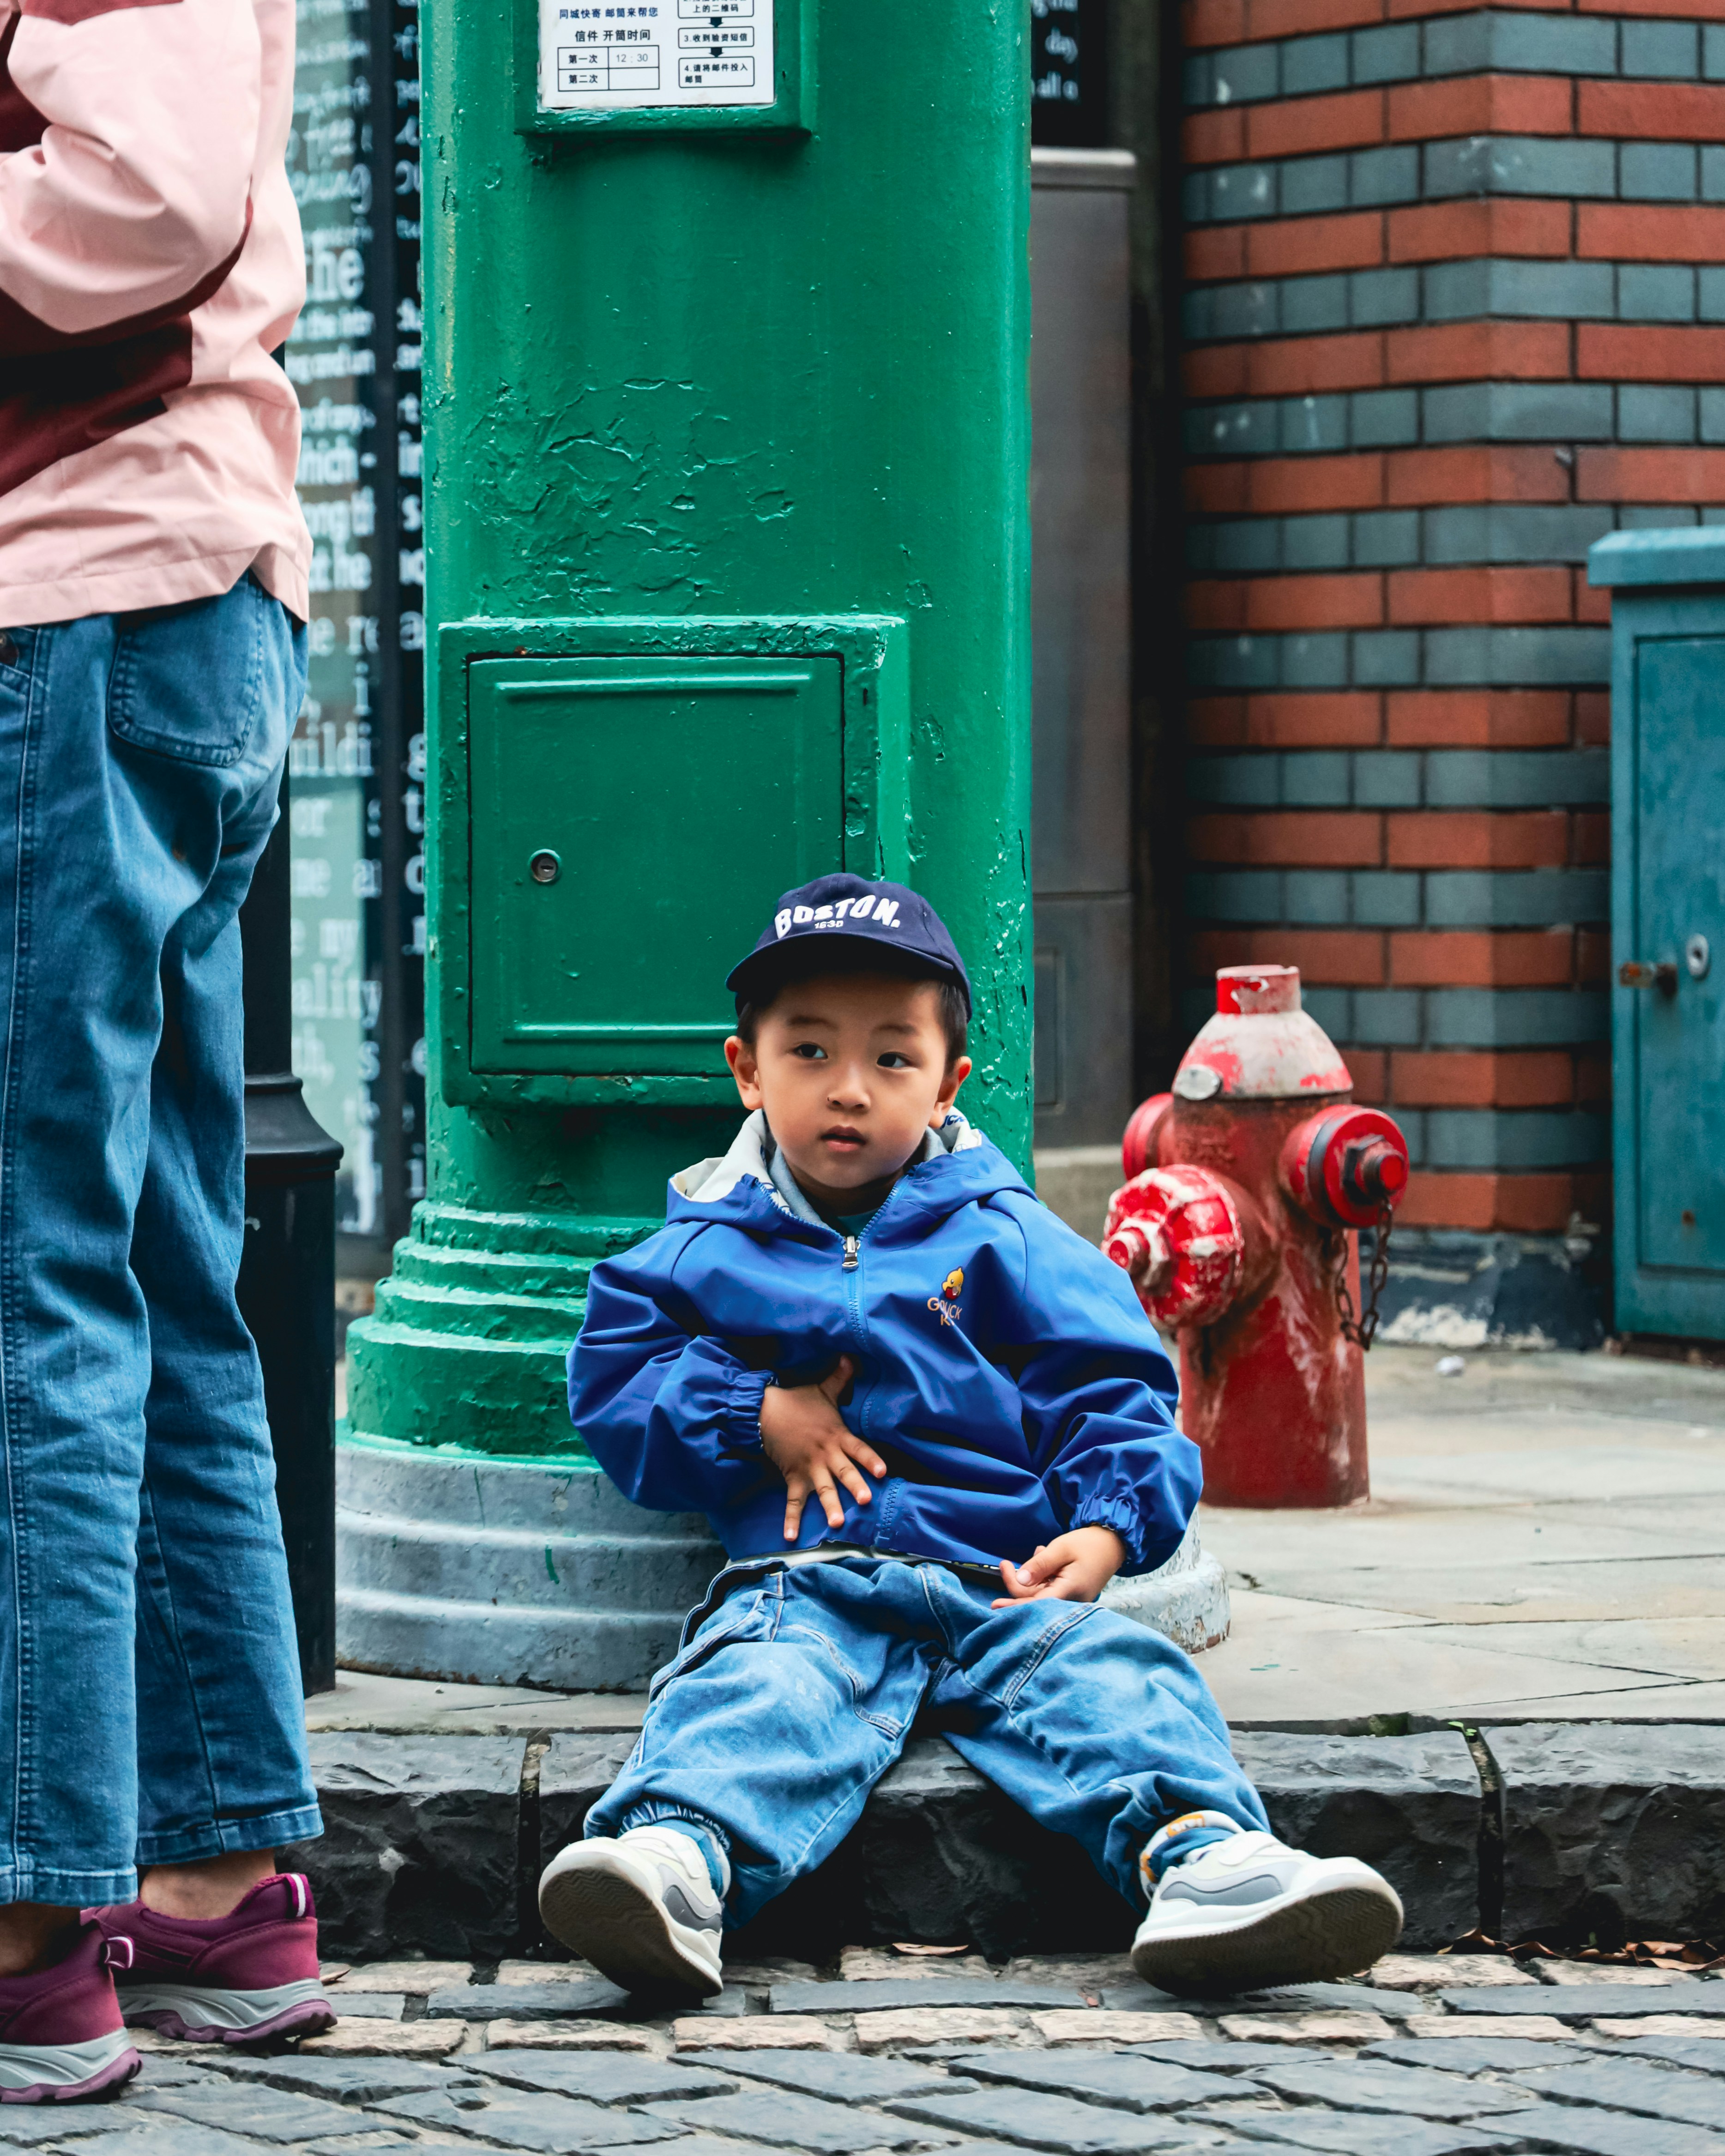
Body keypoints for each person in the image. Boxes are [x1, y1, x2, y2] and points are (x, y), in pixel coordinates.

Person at [541, 873, 1403, 1997]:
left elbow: (1111, 1380)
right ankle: (675, 1863)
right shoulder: (701, 1241)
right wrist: (751, 1411)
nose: (848, 1090)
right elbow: (615, 1373)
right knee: (753, 1691)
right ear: (746, 1069)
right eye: (808, 1053)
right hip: (811, 1581)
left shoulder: (1004, 1234)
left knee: (1120, 1681)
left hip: (1005, 1582)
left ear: (946, 1081)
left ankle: (1209, 1861)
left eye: (890, 1059)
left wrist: (1104, 1529)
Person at [0, 0, 332, 2102]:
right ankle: (217, 1873)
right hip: (176, 598)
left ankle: (32, 1917)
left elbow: (140, 190)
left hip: (82, 604)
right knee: (154, 1262)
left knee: (36, 1267)